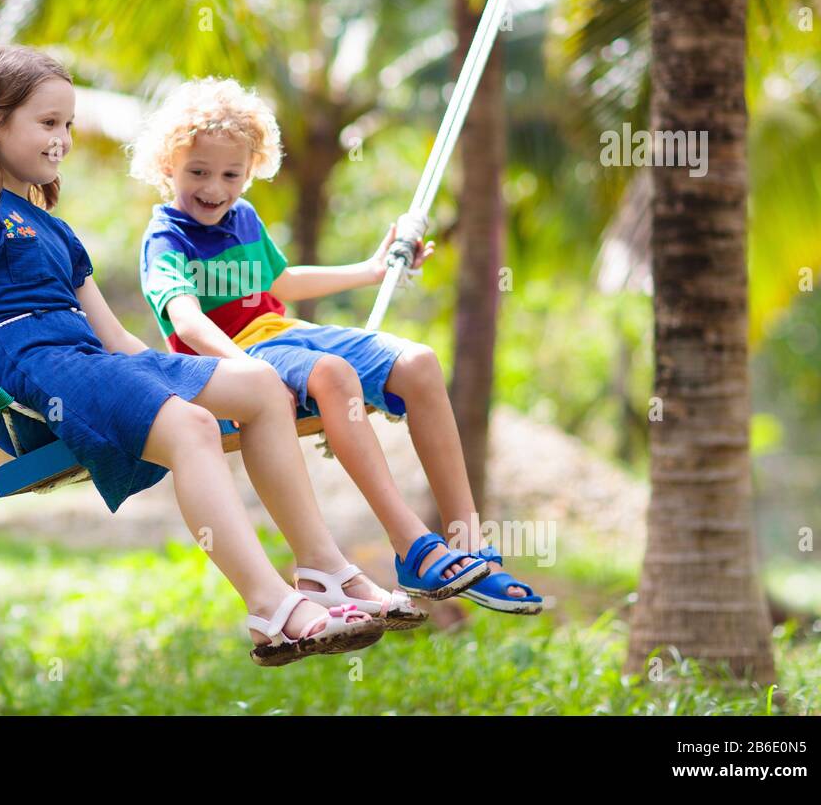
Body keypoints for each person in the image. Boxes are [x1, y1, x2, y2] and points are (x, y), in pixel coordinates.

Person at [0, 44, 393, 665]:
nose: (63, 139)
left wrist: (201, 376)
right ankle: (270, 607)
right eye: (48, 122)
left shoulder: (58, 231)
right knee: (189, 426)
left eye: (68, 125)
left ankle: (321, 570)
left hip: (91, 360)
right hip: (33, 366)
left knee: (261, 385)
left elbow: (118, 340)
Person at [132, 77, 542, 615]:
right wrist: (247, 370)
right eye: (199, 172)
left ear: (250, 171)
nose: (215, 187)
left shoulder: (243, 219)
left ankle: (466, 540)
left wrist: (371, 271)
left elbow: (280, 285)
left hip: (281, 334)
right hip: (225, 362)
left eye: (232, 173)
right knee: (331, 374)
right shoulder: (167, 237)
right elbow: (186, 322)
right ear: (168, 167)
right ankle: (412, 546)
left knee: (419, 363)